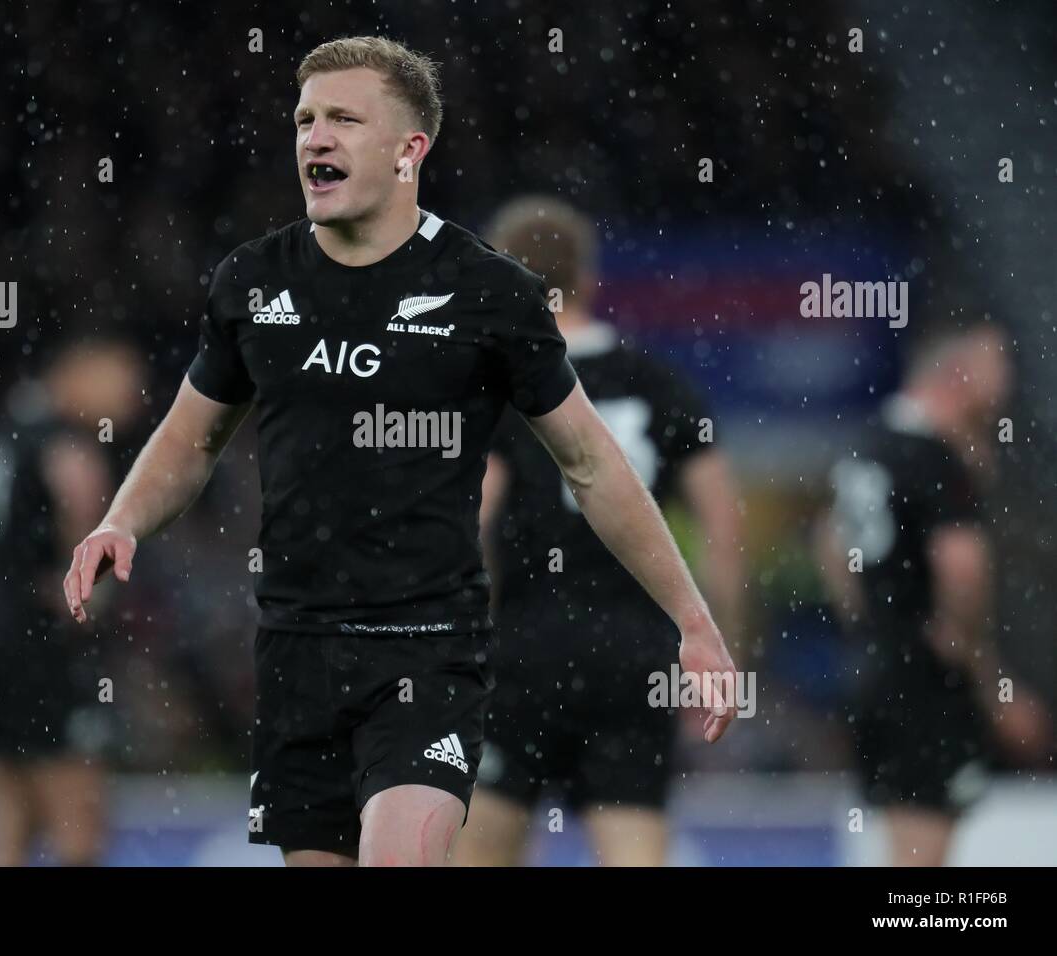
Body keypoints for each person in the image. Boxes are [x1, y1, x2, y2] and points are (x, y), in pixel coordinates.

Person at [62, 36, 738, 867]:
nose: (316, 137)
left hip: (427, 650)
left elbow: (593, 464)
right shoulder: (252, 282)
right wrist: (122, 521)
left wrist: (693, 620)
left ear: (410, 148)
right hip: (295, 650)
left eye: (345, 118)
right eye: (306, 119)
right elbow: (193, 435)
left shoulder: (489, 293)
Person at [451, 196, 745, 866]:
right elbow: (724, 528)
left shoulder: (500, 388)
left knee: (479, 851)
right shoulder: (659, 383)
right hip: (634, 652)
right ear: (587, 277)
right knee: (634, 842)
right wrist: (723, 648)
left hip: (524, 646)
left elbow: (475, 527)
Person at [814, 323, 1050, 866]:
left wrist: (871, 621)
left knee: (905, 847)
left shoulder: (869, 445)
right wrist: (983, 671)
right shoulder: (933, 457)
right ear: (959, 376)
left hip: (875, 669)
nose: (1006, 388)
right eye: (997, 370)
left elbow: (830, 542)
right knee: (925, 862)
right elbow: (962, 566)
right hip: (925, 678)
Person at [0, 341, 143, 865]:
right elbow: (83, 504)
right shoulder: (66, 442)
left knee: (9, 823)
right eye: (122, 384)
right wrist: (82, 603)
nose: (131, 402)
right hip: (41, 640)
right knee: (80, 825)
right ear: (79, 372)